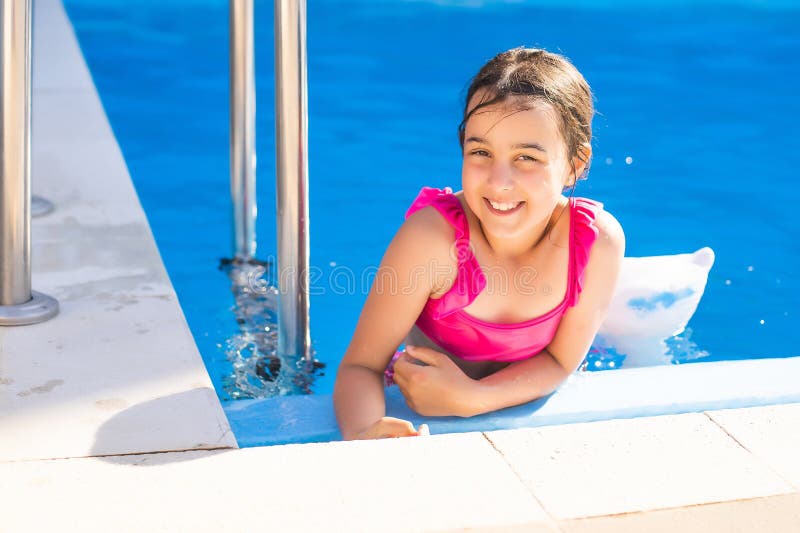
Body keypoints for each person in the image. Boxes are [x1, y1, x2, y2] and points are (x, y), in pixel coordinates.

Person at [333, 47, 625, 440]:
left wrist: (473, 399)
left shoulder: (595, 243)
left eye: (526, 157)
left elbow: (559, 362)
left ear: (575, 163)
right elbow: (360, 367)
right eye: (481, 152)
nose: (498, 181)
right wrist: (365, 430)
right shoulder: (431, 243)